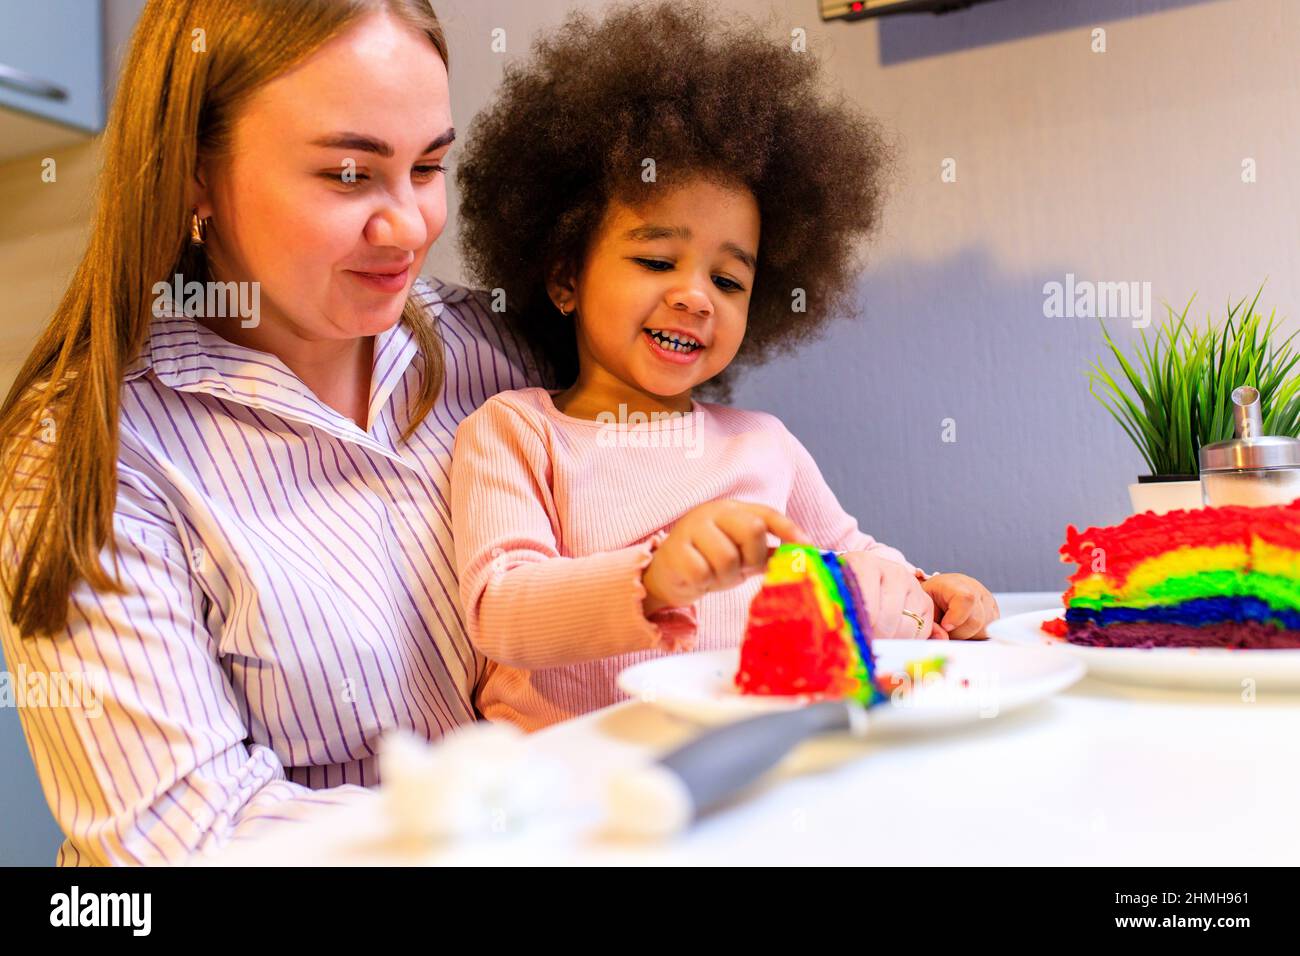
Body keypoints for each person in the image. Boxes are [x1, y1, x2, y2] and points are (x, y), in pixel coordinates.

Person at [0, 0, 539, 865]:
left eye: (429, 166)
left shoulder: (498, 353)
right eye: (349, 175)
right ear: (195, 177)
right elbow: (182, 839)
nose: (408, 227)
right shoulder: (88, 451)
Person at [450, 2, 1000, 732]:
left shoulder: (763, 443)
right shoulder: (516, 431)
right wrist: (653, 579)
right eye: (655, 260)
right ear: (563, 277)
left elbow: (850, 559)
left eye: (729, 281)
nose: (694, 297)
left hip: (757, 754)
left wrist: (933, 593)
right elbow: (500, 610)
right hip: (579, 778)